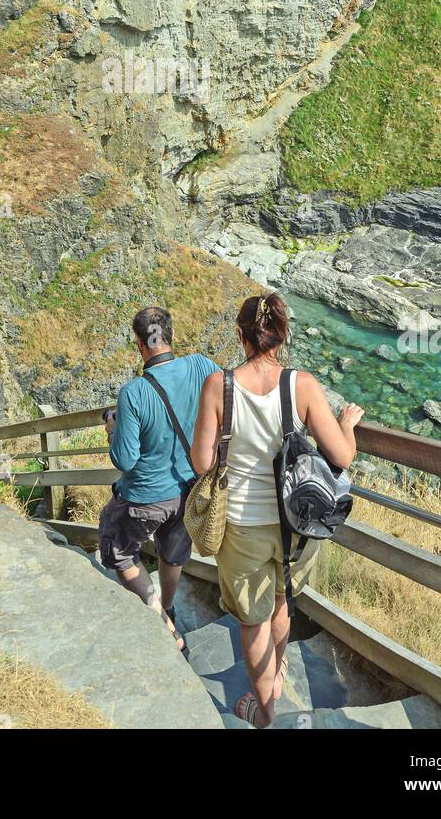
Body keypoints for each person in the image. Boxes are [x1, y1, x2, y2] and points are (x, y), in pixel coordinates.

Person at [191, 292, 364, 727]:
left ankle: (264, 710)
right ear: (283, 337)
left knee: (253, 621)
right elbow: (342, 456)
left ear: (240, 335)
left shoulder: (217, 386)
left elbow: (202, 463)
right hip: (296, 524)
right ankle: (277, 671)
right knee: (283, 599)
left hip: (241, 526)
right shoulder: (301, 385)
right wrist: (346, 425)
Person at [99, 306, 218, 649]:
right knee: (173, 552)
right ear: (170, 334)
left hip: (146, 496)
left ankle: (162, 623)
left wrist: (113, 428)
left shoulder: (133, 393)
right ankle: (168, 605)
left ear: (139, 343)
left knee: (120, 551)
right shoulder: (201, 366)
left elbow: (125, 459)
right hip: (191, 489)